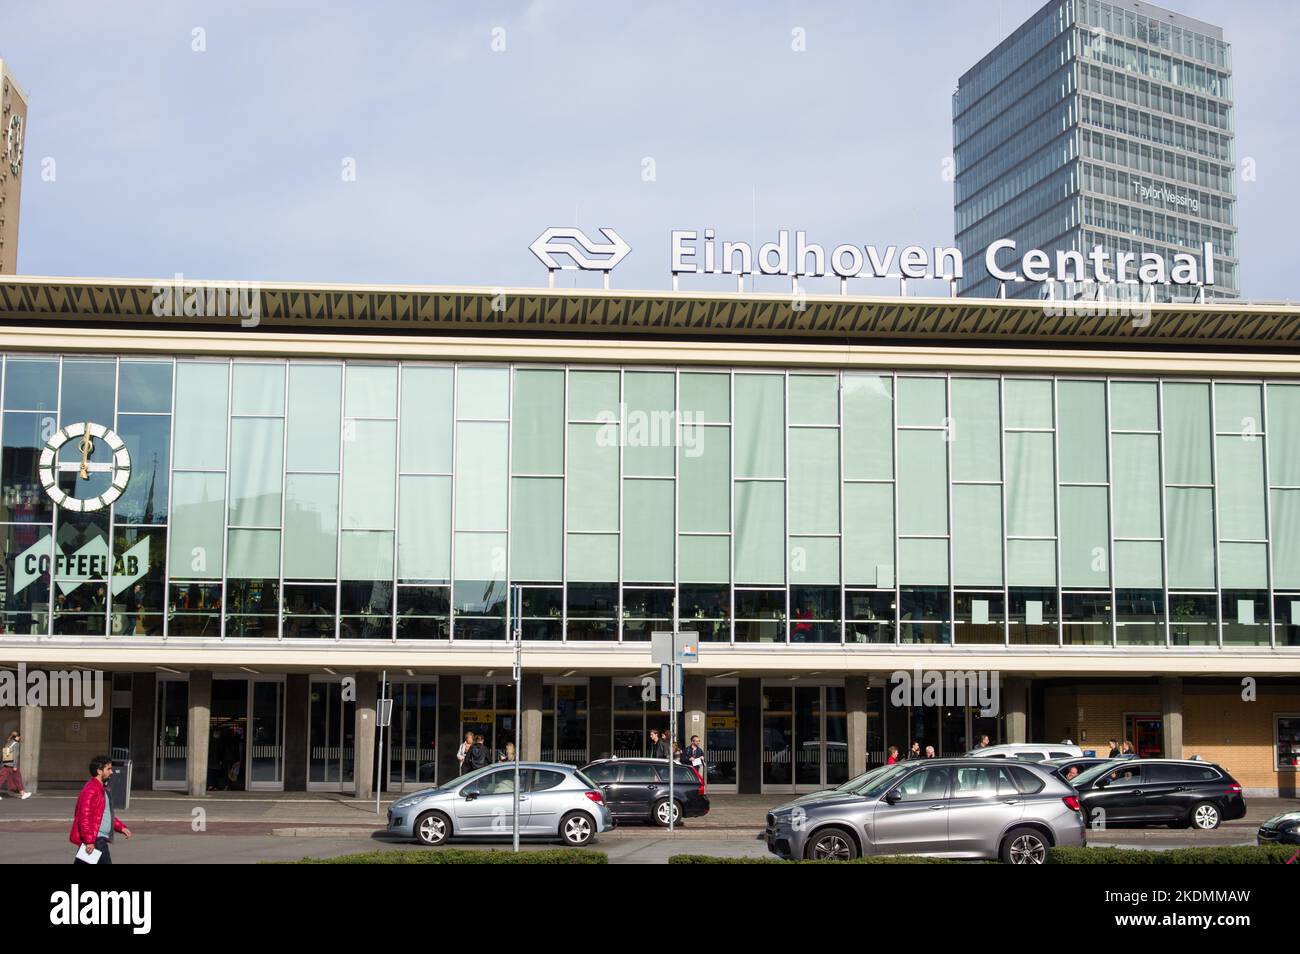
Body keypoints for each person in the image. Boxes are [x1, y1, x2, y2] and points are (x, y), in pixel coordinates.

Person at [70, 755, 131, 864]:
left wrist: (121, 827)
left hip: (96, 839)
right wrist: (89, 841)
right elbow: (84, 816)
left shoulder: (101, 789)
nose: (111, 772)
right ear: (99, 771)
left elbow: (105, 814)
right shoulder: (91, 790)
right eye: (108, 769)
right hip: (96, 839)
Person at [0, 730, 32, 799]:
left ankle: (23, 793)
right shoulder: (16, 744)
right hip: (11, 766)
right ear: (17, 737)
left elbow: (4, 754)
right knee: (18, 779)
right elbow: (15, 756)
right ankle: (23, 794)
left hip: (6, 765)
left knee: (1, 779)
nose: (20, 738)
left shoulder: (8, 743)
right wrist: (15, 766)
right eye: (19, 737)